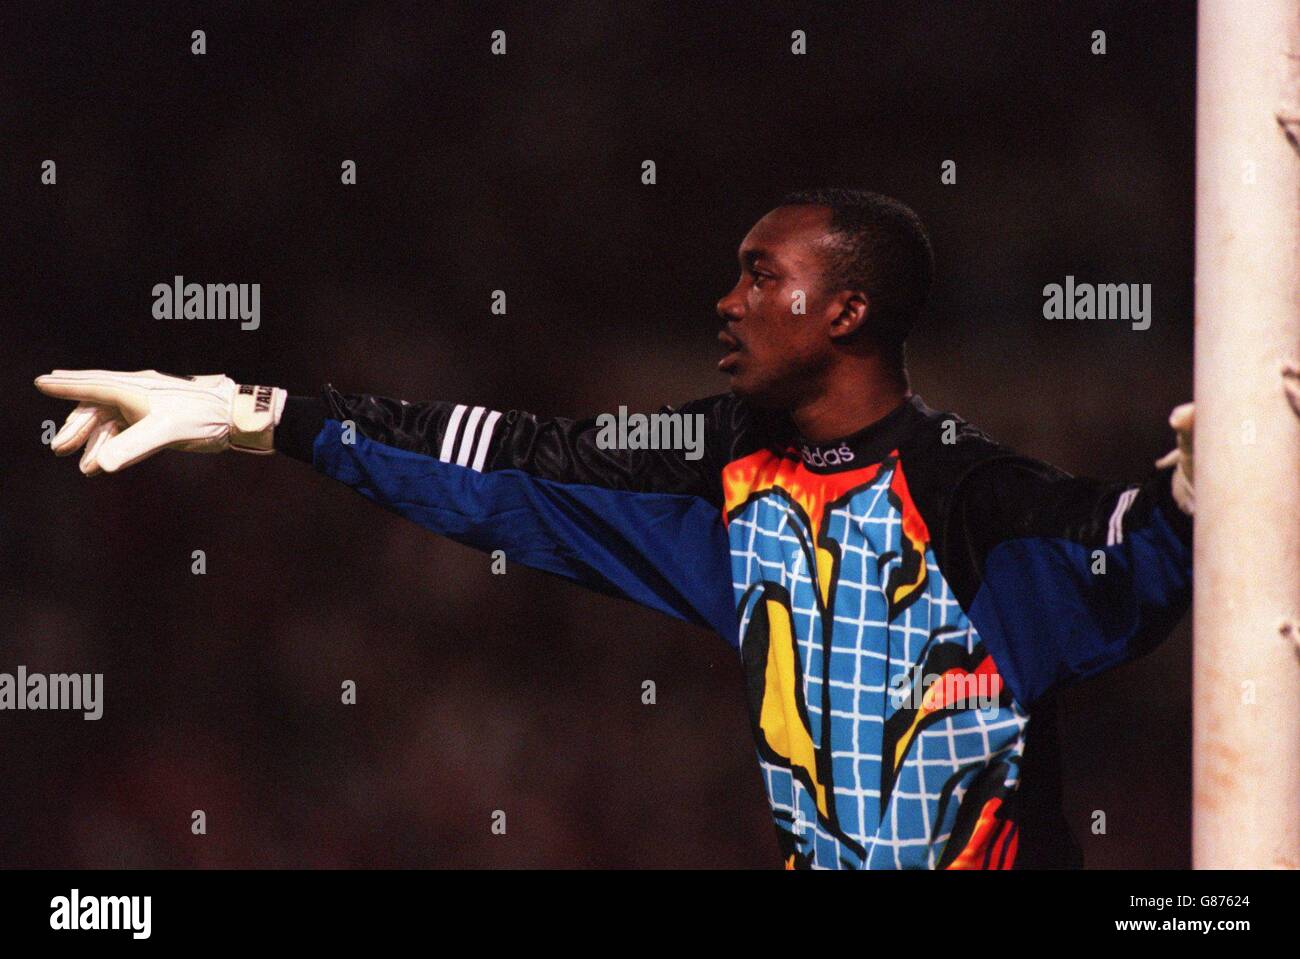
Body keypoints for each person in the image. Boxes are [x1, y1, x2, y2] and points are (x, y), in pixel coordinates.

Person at [35, 188, 1195, 869]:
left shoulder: (975, 503)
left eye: (758, 277)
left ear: (845, 309)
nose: (725, 301)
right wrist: (263, 417)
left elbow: (1131, 547)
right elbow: (510, 457)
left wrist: (1209, 492)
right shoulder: (717, 472)